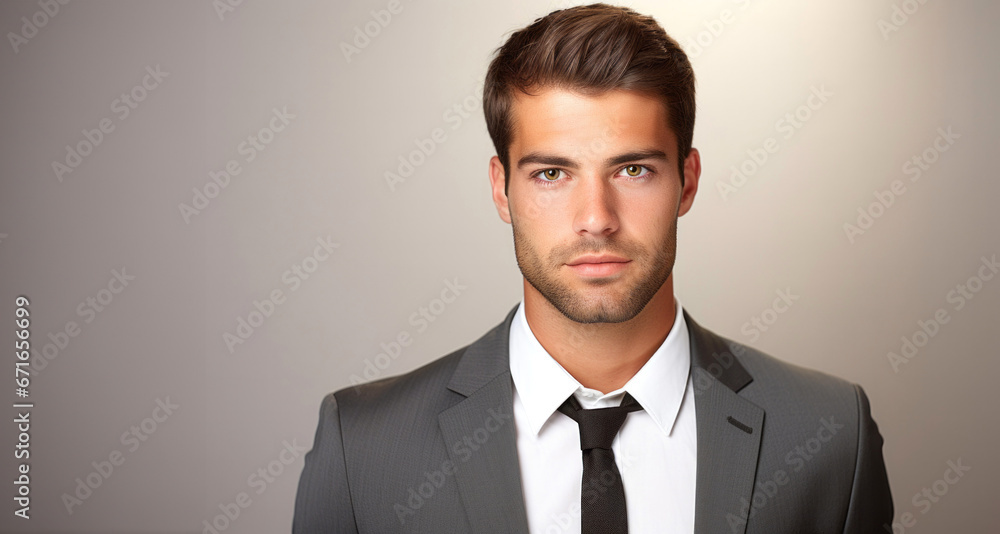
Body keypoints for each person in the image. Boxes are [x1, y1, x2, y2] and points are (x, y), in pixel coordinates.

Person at [293, 4, 893, 533]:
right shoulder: (363, 447)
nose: (596, 219)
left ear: (687, 180)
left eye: (633, 170)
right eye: (552, 174)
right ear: (501, 191)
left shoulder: (831, 433)